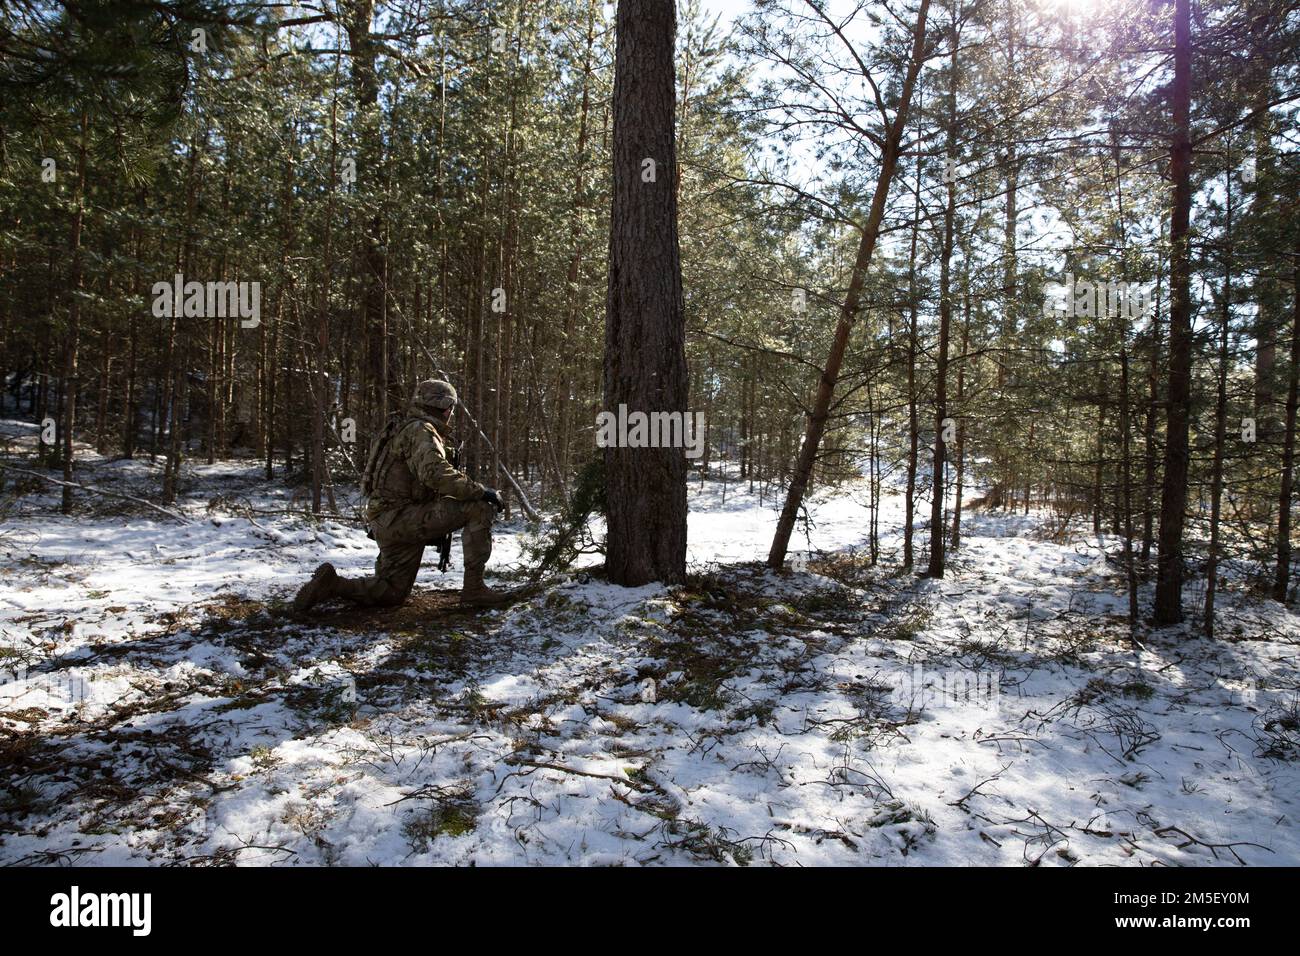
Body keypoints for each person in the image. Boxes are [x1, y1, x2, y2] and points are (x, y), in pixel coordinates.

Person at [293, 378, 509, 611]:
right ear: (446, 408)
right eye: (451, 409)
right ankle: (474, 590)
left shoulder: (402, 428)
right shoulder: (421, 431)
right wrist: (481, 491)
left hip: (386, 520)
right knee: (479, 506)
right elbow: (435, 474)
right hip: (401, 517)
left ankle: (332, 585)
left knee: (391, 592)